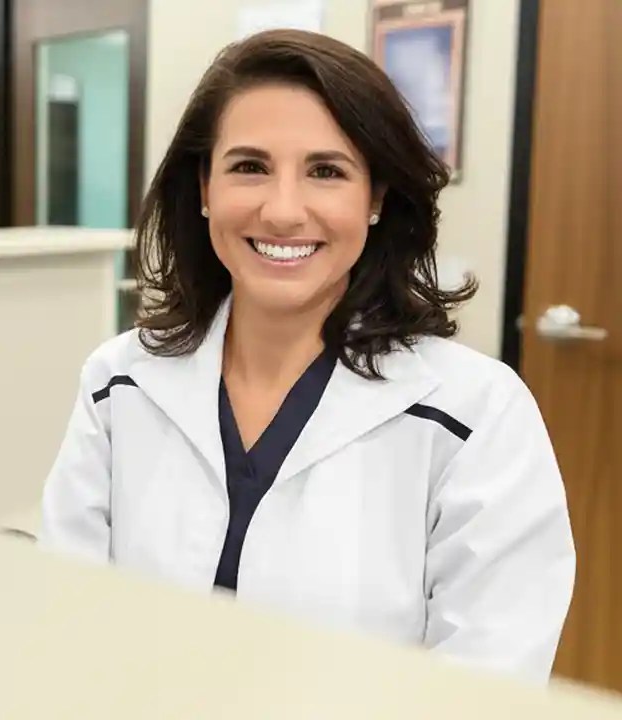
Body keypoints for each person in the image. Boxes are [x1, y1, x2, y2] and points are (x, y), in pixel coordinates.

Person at [39, 29, 574, 682]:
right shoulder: (117, 383)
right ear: (204, 187)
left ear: (375, 198)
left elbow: (489, 687)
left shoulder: (475, 415)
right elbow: (68, 630)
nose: (283, 210)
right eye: (249, 166)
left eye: (326, 171)